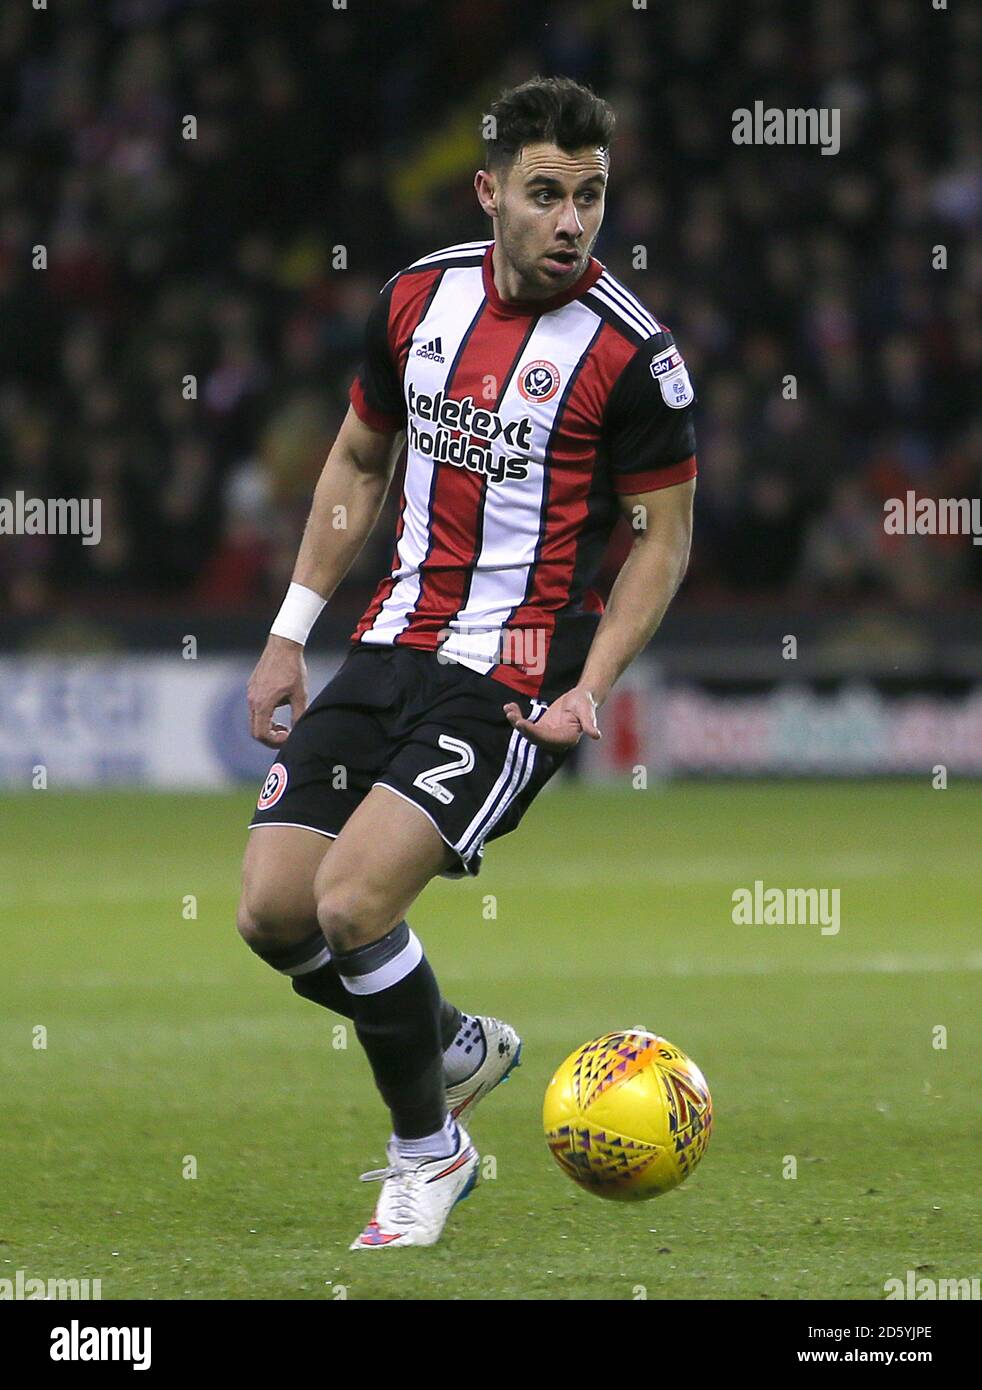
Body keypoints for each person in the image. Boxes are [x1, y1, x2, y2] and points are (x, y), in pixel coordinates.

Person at [237, 75, 697, 1250]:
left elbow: (661, 544)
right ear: (490, 191)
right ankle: (448, 1042)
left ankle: (428, 1153)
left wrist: (590, 686)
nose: (572, 222)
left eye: (590, 197)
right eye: (547, 194)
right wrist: (291, 630)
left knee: (351, 906)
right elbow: (353, 461)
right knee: (273, 912)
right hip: (390, 640)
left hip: (515, 673)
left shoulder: (632, 357)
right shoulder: (413, 300)